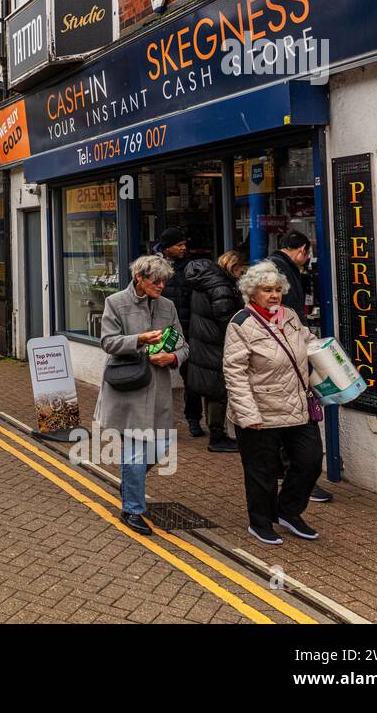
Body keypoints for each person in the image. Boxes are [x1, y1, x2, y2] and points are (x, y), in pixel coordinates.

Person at [223, 260, 325, 546]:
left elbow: (309, 344)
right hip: (260, 411)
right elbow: (235, 372)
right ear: (251, 292)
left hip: (297, 406)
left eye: (278, 289)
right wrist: (247, 414)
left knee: (311, 461)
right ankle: (261, 521)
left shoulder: (291, 315)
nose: (274, 295)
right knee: (262, 472)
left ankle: (288, 511)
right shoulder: (241, 324)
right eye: (267, 289)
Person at [97, 255, 187, 535]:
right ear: (139, 278)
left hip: (159, 389)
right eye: (155, 281)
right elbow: (108, 342)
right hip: (128, 388)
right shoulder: (116, 303)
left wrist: (172, 357)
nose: (161, 286)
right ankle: (133, 511)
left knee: (159, 448)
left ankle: (130, 481)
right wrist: (139, 340)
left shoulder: (167, 306)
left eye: (164, 281)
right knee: (135, 454)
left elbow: (183, 343)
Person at [265, 230, 333, 504]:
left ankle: (288, 473)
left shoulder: (276, 266)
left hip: (282, 353)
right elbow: (289, 314)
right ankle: (299, 479)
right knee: (297, 422)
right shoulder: (283, 271)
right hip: (287, 355)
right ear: (303, 250)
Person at [184, 249, 247, 453]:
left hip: (202, 340)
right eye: (242, 271)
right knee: (218, 391)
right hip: (215, 343)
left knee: (211, 389)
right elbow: (227, 319)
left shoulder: (205, 280)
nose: (242, 276)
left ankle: (215, 432)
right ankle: (217, 436)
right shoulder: (221, 286)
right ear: (234, 266)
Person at [155, 228, 197, 434]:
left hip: (187, 327)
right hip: (161, 331)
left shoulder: (190, 267)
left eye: (184, 244)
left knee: (191, 377)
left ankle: (193, 419)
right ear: (166, 247)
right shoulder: (153, 267)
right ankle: (156, 422)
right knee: (156, 376)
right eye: (179, 245)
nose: (183, 248)